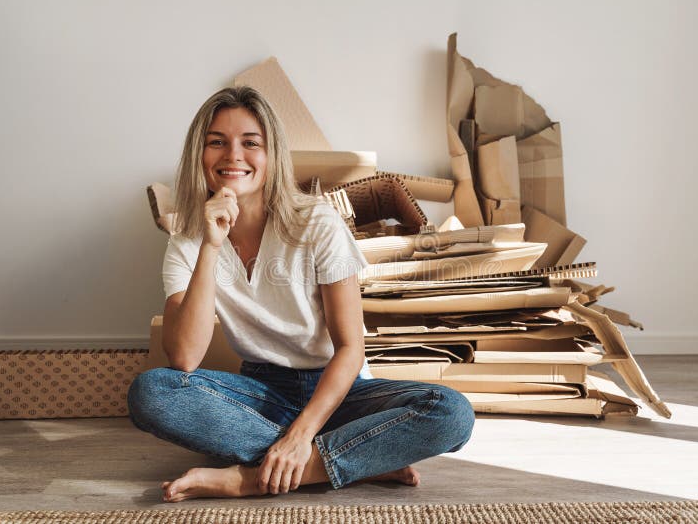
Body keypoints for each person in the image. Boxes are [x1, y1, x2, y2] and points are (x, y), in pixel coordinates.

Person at [127, 86, 475, 503]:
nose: (233, 155)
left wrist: (303, 434)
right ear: (198, 155)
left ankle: (252, 478)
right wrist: (211, 245)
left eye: (250, 143)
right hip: (261, 392)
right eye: (216, 142)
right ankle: (355, 459)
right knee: (151, 393)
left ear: (272, 154)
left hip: (339, 391)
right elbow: (184, 358)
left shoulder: (318, 223)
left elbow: (351, 348)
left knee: (451, 413)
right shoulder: (187, 240)